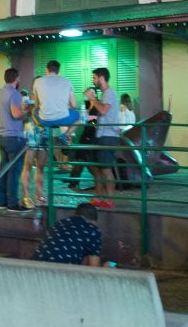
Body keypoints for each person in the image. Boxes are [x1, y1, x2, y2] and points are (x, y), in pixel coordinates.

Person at [84, 67, 121, 207]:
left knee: (106, 169)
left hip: (108, 136)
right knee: (98, 169)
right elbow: (101, 113)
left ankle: (109, 200)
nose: (93, 81)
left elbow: (104, 110)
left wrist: (93, 98)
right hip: (101, 135)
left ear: (101, 78)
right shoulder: (105, 94)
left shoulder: (109, 93)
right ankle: (98, 197)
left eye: (94, 78)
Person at [0, 69, 28, 212]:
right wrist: (27, 111)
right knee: (14, 172)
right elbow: (16, 114)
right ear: (17, 78)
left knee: (4, 170)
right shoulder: (14, 94)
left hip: (2, 135)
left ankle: (2, 201)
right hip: (14, 137)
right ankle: (12, 203)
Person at [31, 203, 104, 266]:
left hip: (34, 266)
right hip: (61, 271)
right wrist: (105, 267)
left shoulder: (59, 223)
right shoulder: (93, 230)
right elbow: (94, 265)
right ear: (94, 221)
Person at [32, 60, 79, 136]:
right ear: (58, 71)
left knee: (34, 110)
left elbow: (36, 105)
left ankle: (44, 131)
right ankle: (65, 136)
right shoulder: (67, 81)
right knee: (78, 116)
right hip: (63, 120)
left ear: (47, 69)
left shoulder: (37, 81)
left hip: (45, 120)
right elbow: (74, 105)